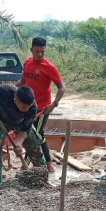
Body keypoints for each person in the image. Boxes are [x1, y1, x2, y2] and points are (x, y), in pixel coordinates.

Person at [0, 84, 46, 184]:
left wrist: (19, 143)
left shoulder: (32, 107)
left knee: (35, 145)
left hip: (20, 123)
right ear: (15, 100)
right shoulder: (4, 91)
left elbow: (25, 129)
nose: (26, 110)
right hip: (1, 120)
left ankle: (43, 179)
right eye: (24, 107)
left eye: (28, 107)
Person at [16, 37, 66, 173]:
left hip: (42, 109)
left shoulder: (49, 67)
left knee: (34, 135)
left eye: (42, 52)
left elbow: (62, 87)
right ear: (31, 49)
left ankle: (25, 167)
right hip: (27, 107)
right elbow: (23, 80)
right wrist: (12, 89)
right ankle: (49, 164)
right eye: (37, 51)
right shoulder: (27, 62)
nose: (39, 54)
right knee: (38, 135)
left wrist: (54, 104)